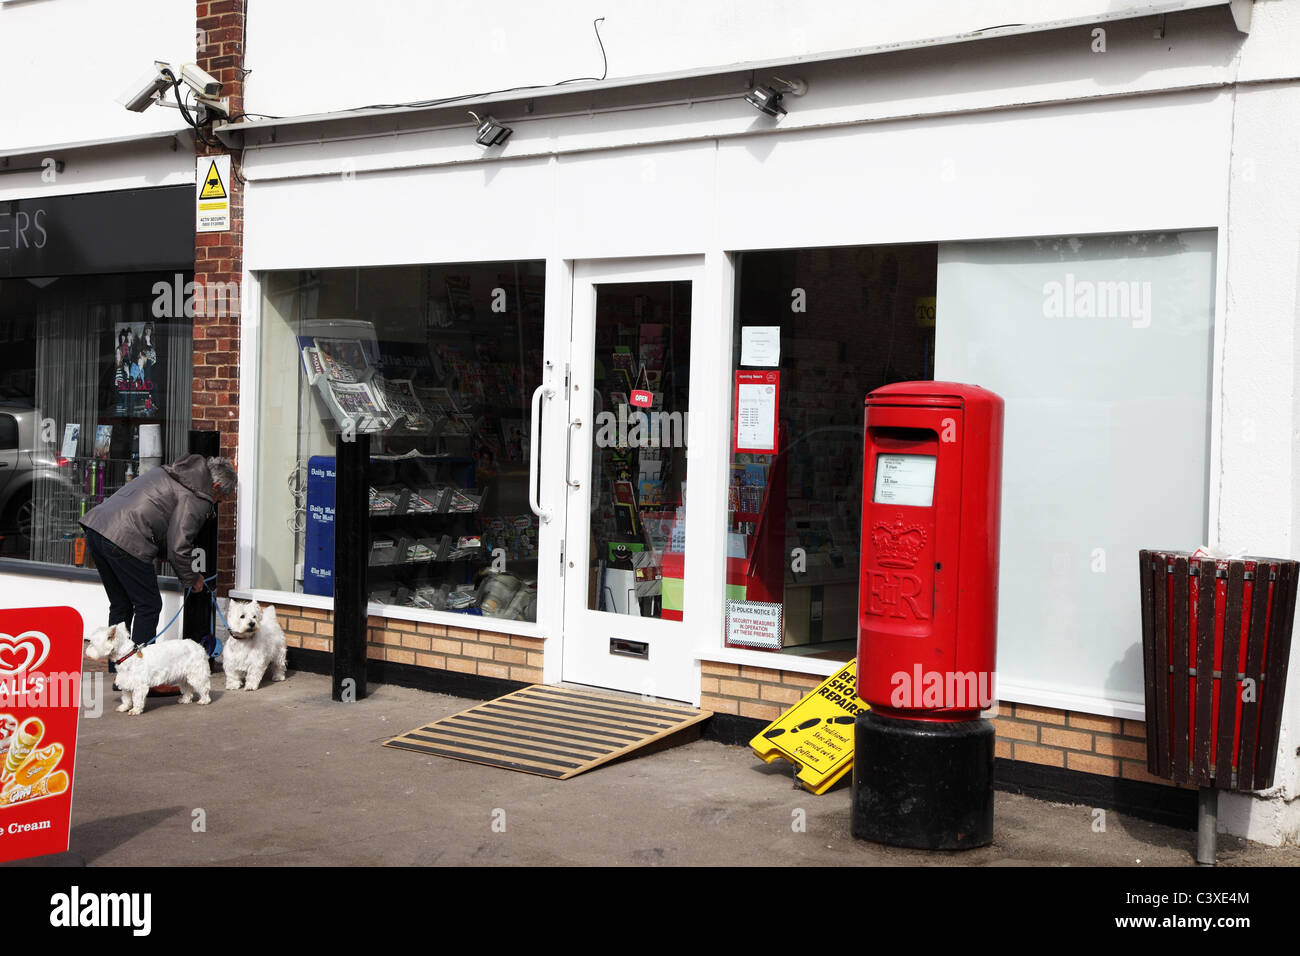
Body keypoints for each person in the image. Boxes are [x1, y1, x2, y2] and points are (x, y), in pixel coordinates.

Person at [80, 455, 237, 649]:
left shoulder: (172, 472)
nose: (215, 504)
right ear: (215, 487)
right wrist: (193, 578)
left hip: (97, 527)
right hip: (125, 539)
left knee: (121, 604)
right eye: (219, 499)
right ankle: (138, 672)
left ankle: (119, 672)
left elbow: (159, 519)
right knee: (149, 605)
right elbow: (178, 547)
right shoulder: (197, 497)